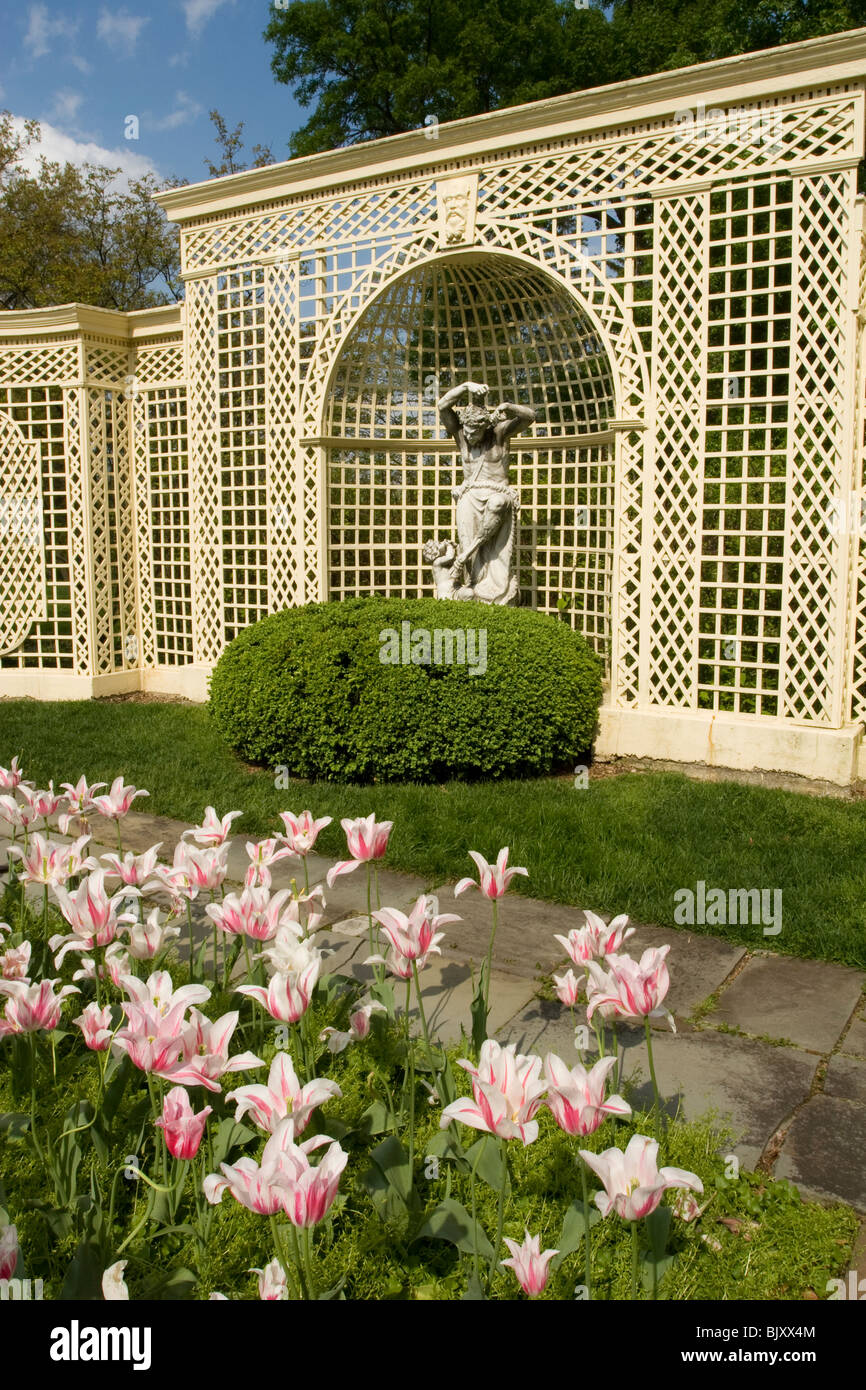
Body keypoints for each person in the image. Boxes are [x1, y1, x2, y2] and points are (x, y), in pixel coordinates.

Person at [436, 381, 536, 604]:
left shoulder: (499, 433)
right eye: (468, 431)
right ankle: (474, 587)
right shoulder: (461, 434)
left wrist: (509, 407)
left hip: (496, 492)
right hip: (469, 496)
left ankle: (497, 589)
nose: (470, 436)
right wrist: (465, 388)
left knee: (498, 506)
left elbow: (530, 417)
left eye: (476, 432)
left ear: (485, 427)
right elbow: (442, 406)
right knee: (468, 545)